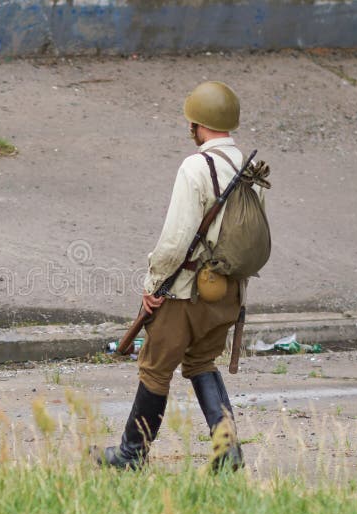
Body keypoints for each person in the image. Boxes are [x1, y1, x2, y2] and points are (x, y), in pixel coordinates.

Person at [95, 81, 258, 470]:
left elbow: (174, 241)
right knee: (202, 363)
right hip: (229, 292)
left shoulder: (196, 167)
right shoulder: (251, 169)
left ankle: (132, 455)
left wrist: (152, 286)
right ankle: (228, 449)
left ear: (197, 124)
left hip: (185, 292)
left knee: (154, 366)